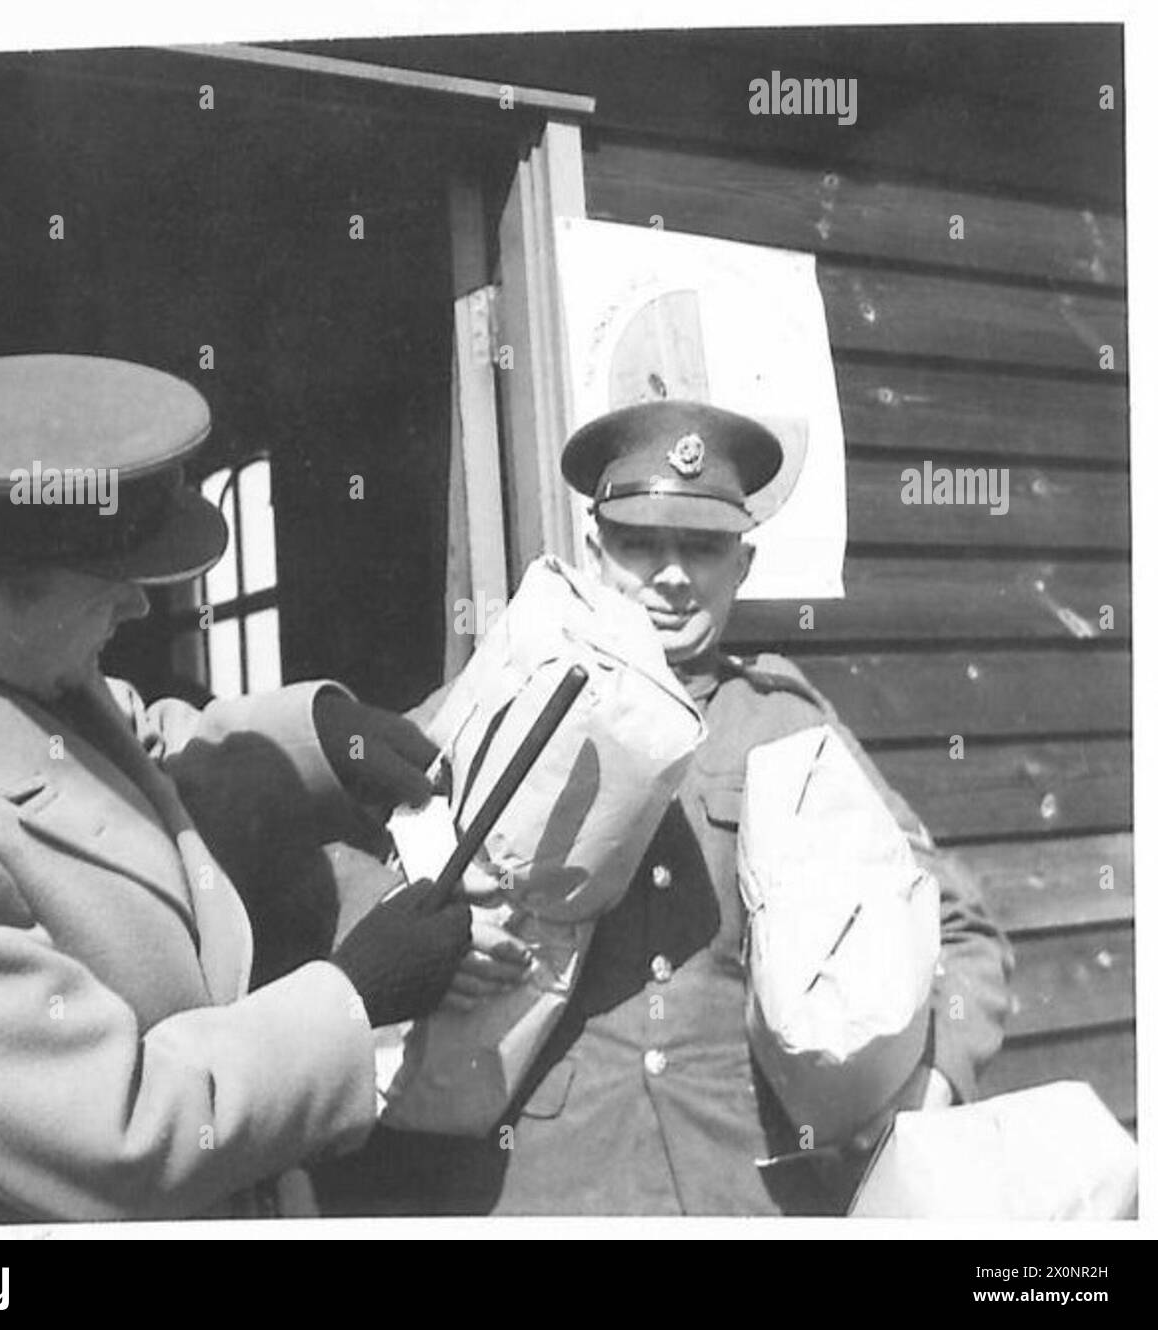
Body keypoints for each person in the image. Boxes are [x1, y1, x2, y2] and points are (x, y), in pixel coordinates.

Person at [314, 398, 1014, 1216]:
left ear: (742, 565)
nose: (672, 575)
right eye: (641, 544)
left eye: (703, 548)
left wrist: (930, 1085)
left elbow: (958, 929)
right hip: (545, 1185)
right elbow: (341, 863)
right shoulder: (502, 695)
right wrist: (422, 944)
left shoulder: (786, 723)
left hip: (741, 1185)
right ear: (594, 551)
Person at [0, 353, 471, 1225]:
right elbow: (112, 1132)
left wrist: (316, 741)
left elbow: (135, 754)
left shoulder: (9, 667)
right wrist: (352, 1000)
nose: (138, 615)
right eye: (112, 593)